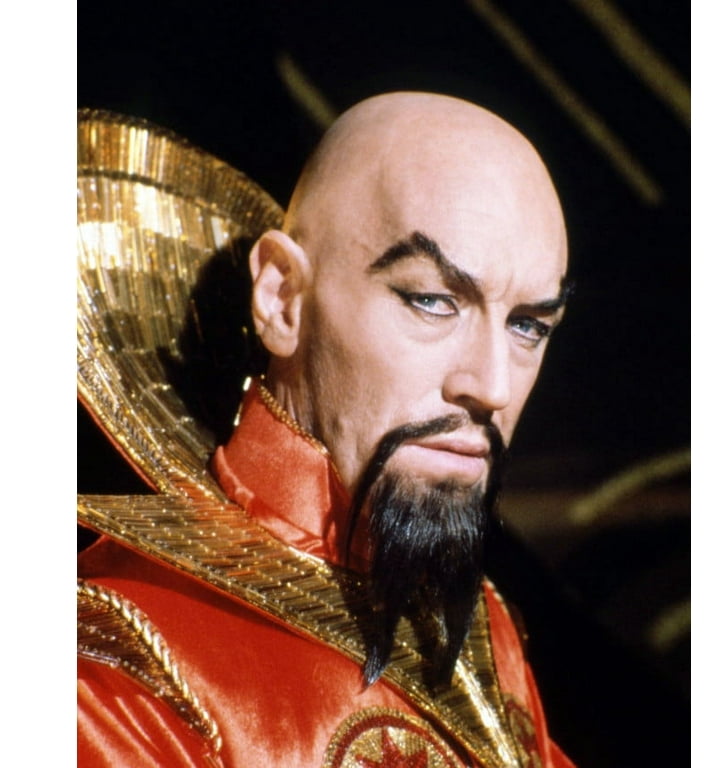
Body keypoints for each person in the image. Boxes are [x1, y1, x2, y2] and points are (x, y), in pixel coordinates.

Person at [78, 91, 574, 768]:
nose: (493, 385)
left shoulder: (480, 628)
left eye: (528, 326)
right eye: (432, 302)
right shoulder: (112, 673)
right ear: (282, 297)